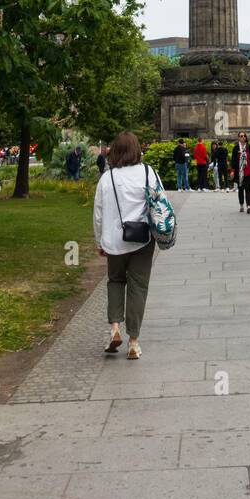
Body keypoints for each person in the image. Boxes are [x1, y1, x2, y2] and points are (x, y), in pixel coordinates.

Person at [93, 131, 157, 361]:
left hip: (114, 242)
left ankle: (114, 328)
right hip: (142, 239)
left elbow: (98, 214)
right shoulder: (148, 172)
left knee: (116, 281)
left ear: (115, 151)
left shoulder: (106, 179)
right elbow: (160, 203)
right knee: (138, 287)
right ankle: (134, 342)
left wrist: (100, 240)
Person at [230, 132, 250, 213]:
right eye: (241, 136)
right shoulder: (236, 148)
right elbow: (233, 160)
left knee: (248, 189)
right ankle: (241, 205)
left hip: (248, 171)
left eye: (244, 136)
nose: (243, 137)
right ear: (238, 137)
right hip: (240, 172)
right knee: (241, 189)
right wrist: (232, 171)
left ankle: (249, 206)